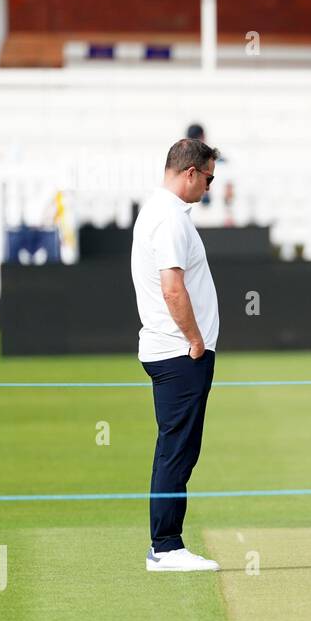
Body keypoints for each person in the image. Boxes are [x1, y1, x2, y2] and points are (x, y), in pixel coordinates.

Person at [130, 138, 222, 572]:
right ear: (189, 173)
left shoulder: (160, 212)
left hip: (172, 350)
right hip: (178, 351)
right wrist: (195, 340)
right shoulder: (169, 219)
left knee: (178, 448)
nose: (208, 187)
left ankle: (166, 544)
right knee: (176, 449)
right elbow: (172, 287)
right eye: (207, 178)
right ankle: (166, 546)